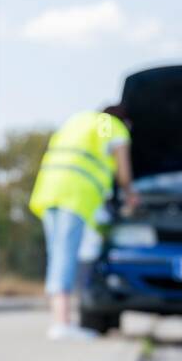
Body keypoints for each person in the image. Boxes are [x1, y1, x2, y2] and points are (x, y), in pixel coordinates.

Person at [29, 104, 135, 340]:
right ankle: (61, 323)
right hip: (76, 193)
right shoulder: (117, 128)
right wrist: (130, 195)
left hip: (48, 188)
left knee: (56, 253)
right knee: (66, 255)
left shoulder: (78, 121)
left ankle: (58, 318)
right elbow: (124, 173)